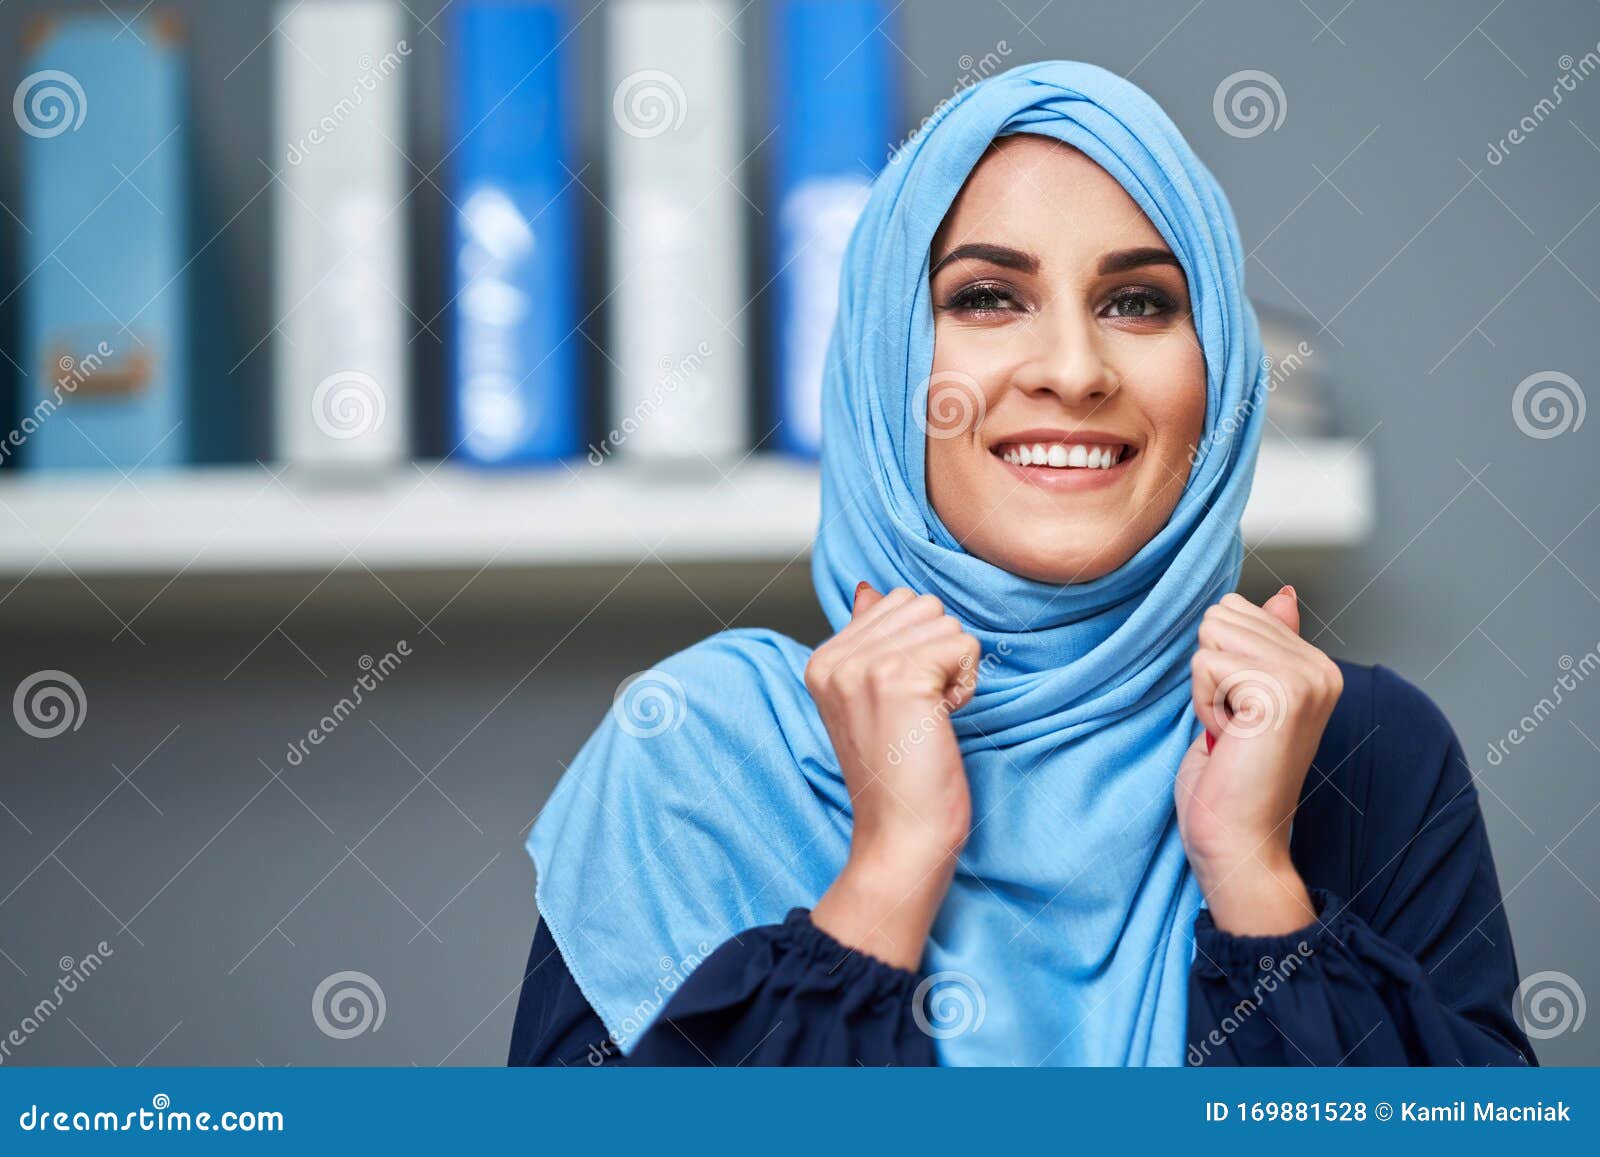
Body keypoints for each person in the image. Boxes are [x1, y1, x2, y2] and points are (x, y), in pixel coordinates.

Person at [509, 60, 1534, 1067]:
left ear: (1217, 364)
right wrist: (888, 871)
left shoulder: (1356, 749)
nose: (1073, 371)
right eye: (988, 297)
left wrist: (1257, 881)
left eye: (1137, 303)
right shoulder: (696, 755)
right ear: (885, 359)